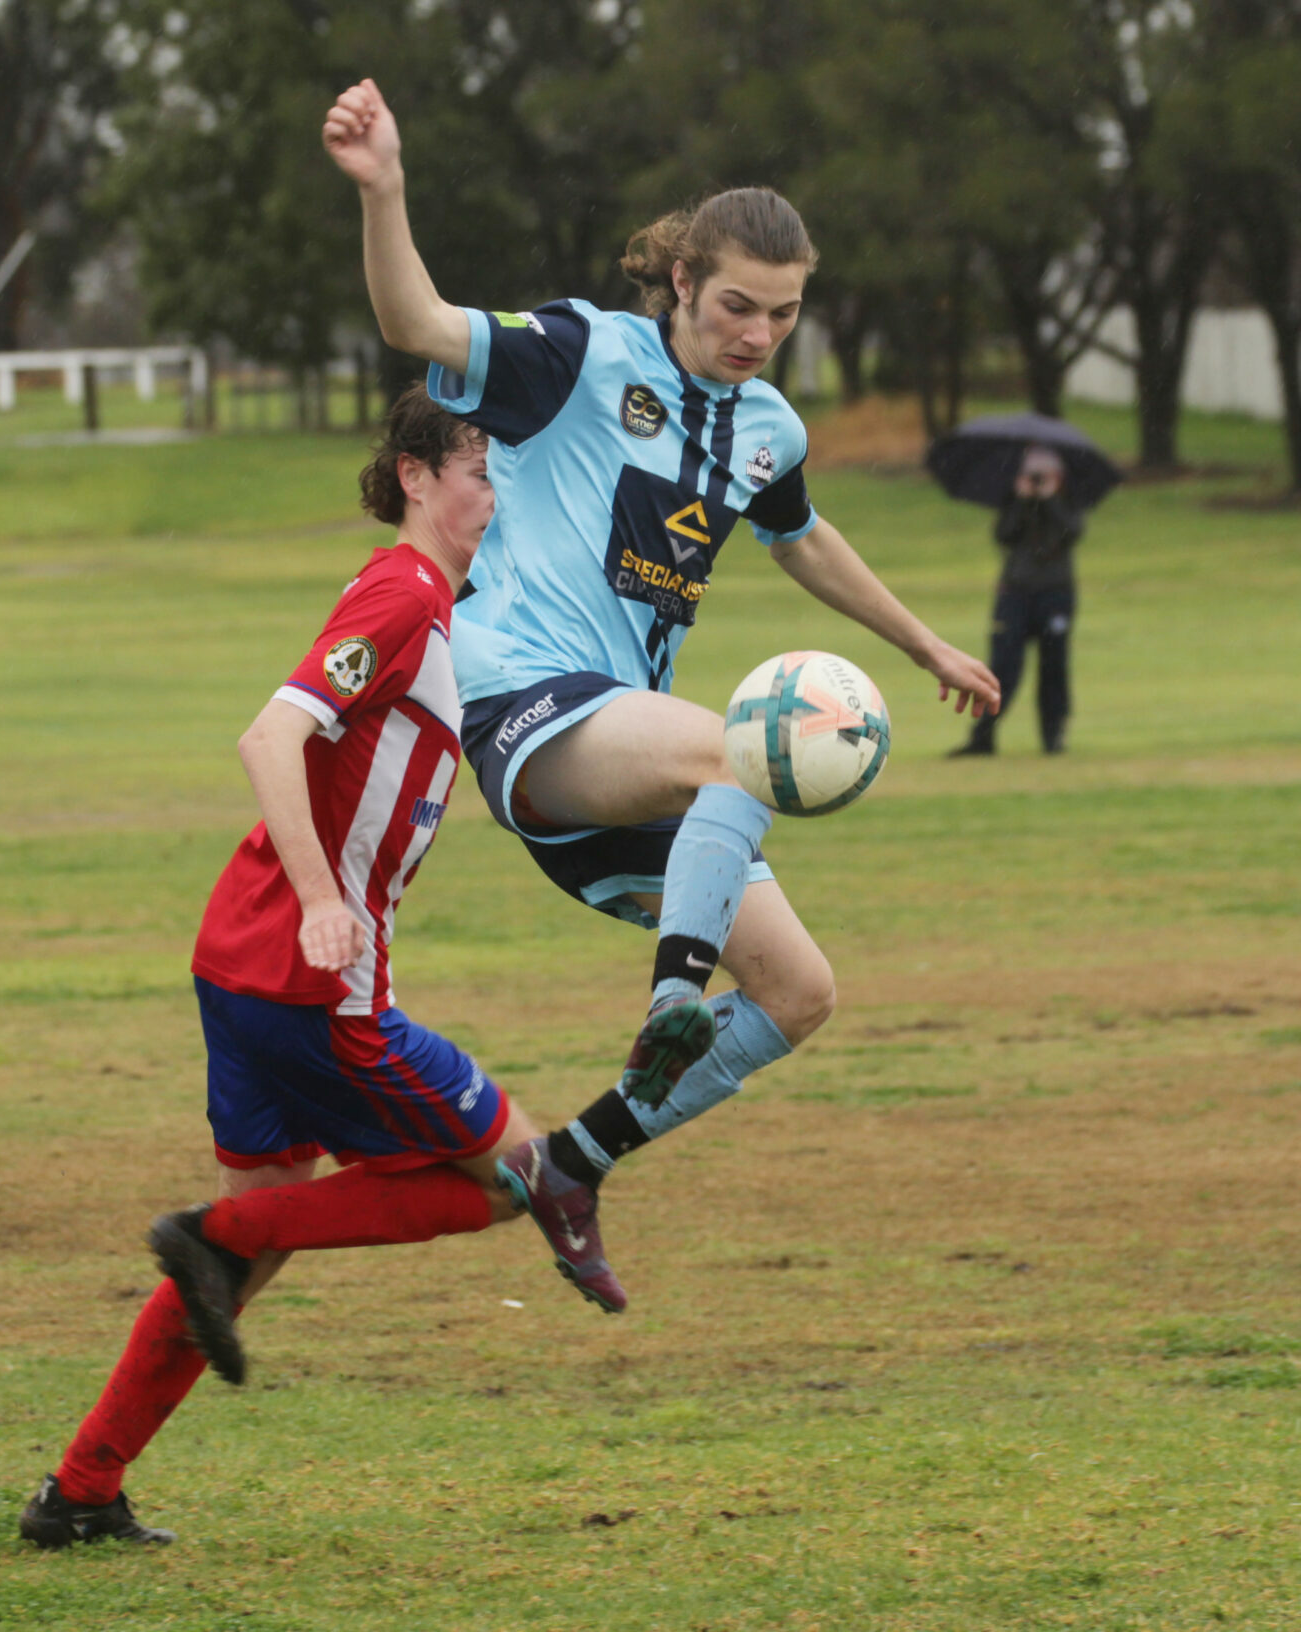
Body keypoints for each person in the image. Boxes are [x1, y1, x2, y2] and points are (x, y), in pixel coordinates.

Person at [319, 79, 1001, 1316]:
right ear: (681, 279)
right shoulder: (578, 355)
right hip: (528, 707)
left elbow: (801, 539)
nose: (755, 332)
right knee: (749, 746)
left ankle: (570, 1167)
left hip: (633, 751)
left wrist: (925, 645)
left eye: (782, 315)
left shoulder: (766, 427)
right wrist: (386, 189)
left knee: (800, 995)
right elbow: (412, 316)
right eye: (736, 304)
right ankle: (673, 1001)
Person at [20, 389, 549, 1550]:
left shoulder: (427, 608)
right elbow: (271, 734)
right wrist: (323, 901)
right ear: (415, 475)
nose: (488, 496)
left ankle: (80, 1490)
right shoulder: (402, 592)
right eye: (473, 471)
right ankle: (209, 1234)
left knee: (251, 1249)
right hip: (312, 983)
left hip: (241, 966)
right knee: (515, 1177)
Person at [950, 444, 1080, 757]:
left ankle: (1053, 737)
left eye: (1043, 474)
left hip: (1055, 594)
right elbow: (1003, 535)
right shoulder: (1013, 502)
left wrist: (1048, 499)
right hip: (1015, 593)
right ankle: (983, 736)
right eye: (1031, 473)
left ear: (1058, 476)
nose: (1036, 479)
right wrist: (1022, 501)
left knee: (1054, 668)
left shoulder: (1067, 503)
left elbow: (1072, 532)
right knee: (1003, 668)